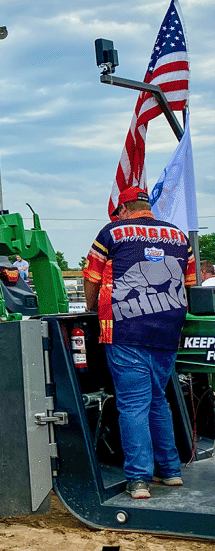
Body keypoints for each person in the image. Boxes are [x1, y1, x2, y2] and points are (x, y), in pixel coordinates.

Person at [82, 187, 195, 500]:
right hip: (168, 331)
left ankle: (138, 480)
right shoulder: (179, 236)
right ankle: (171, 471)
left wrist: (92, 309)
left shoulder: (112, 232)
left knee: (133, 403)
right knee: (157, 398)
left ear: (123, 209)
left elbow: (91, 277)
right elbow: (189, 283)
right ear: (148, 207)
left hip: (126, 329)